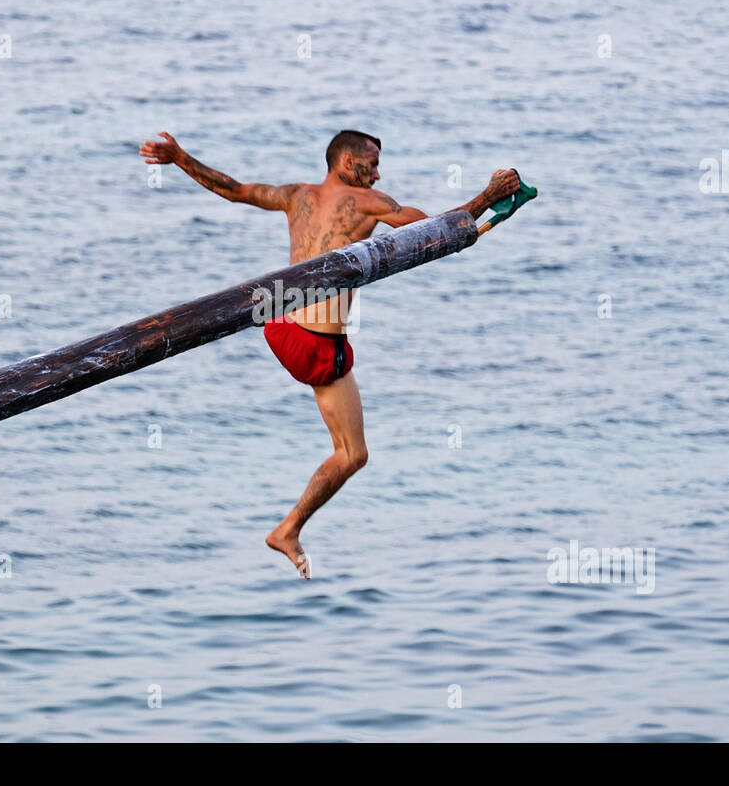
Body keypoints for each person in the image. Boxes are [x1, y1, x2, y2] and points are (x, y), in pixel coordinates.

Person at [138, 130, 521, 578]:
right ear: (346, 163)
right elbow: (433, 232)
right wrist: (488, 196)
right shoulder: (369, 203)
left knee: (351, 446)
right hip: (317, 345)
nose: (377, 174)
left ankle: (287, 532)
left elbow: (236, 190)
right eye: (371, 165)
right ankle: (288, 528)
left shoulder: (296, 196)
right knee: (352, 455)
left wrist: (179, 156)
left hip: (279, 326)